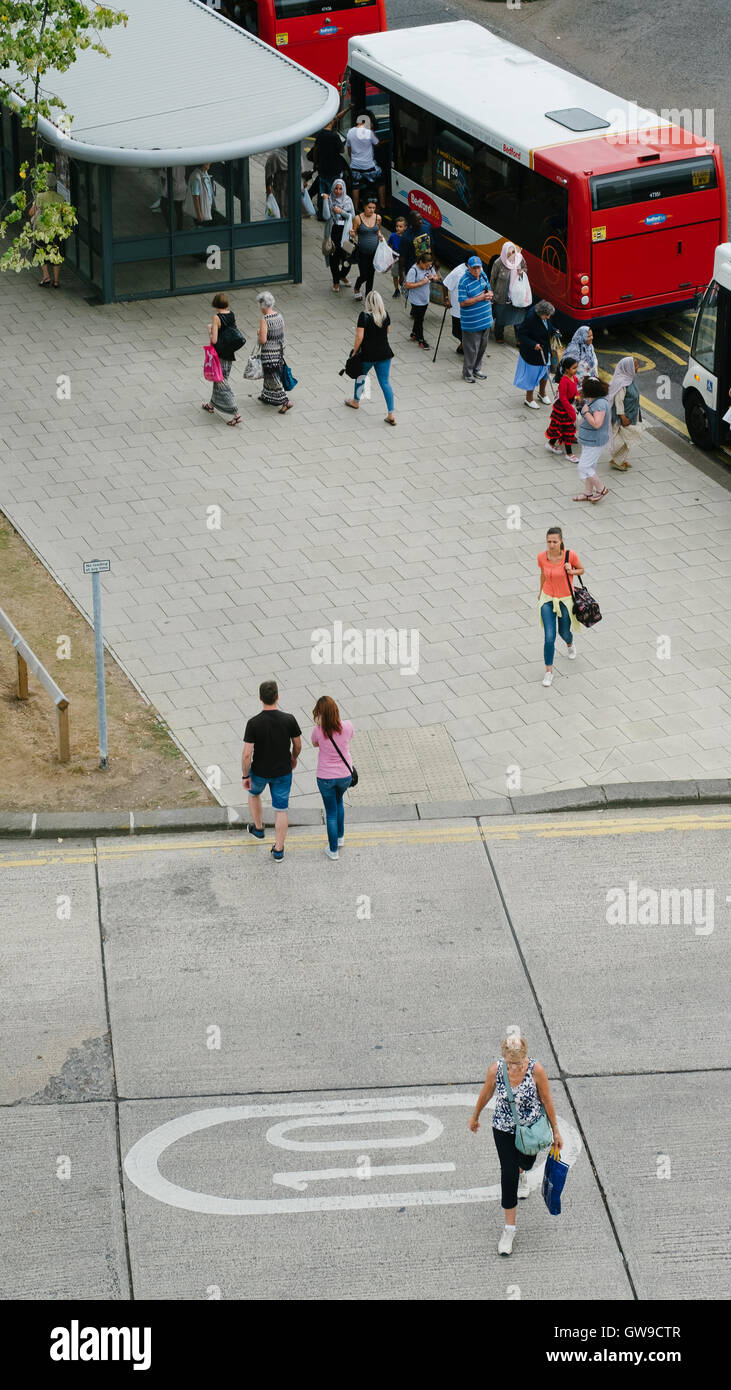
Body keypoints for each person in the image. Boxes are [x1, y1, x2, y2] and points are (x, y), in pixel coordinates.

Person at [469, 1027, 563, 1256]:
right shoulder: (496, 1071)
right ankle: (509, 1229)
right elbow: (486, 1093)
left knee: (527, 1163)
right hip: (503, 1127)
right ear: (504, 1059)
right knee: (508, 1174)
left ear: (525, 1058)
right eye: (512, 1065)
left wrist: (556, 1131)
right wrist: (475, 1116)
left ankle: (523, 1171)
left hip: (531, 1129)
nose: (516, 1068)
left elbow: (546, 1100)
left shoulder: (536, 1070)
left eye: (520, 1064)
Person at [242, 680, 302, 862]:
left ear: (260, 698)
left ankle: (259, 829)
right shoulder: (289, 719)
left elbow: (246, 754)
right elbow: (298, 744)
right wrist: (293, 758)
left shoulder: (253, 723)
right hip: (283, 772)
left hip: (259, 771)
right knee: (281, 810)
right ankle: (278, 850)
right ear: (277, 696)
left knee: (253, 795)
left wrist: (245, 775)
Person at [537, 525, 582, 686]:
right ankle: (548, 672)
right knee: (549, 636)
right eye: (549, 541)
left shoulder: (570, 556)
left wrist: (572, 571)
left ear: (561, 541)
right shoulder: (542, 557)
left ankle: (569, 642)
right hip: (547, 599)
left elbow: (582, 570)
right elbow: (543, 574)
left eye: (554, 542)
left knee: (563, 632)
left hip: (565, 600)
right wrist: (540, 591)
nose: (551, 545)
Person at [311, 696, 354, 859]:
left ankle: (333, 850)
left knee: (330, 812)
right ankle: (340, 838)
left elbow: (315, 744)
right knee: (339, 802)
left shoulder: (318, 730)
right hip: (345, 776)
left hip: (325, 778)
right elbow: (349, 737)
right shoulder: (348, 726)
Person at [344, 289, 396, 425]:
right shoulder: (386, 315)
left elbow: (359, 336)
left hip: (368, 355)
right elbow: (387, 331)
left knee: (361, 377)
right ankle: (391, 413)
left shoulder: (364, 316)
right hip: (385, 354)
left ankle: (355, 401)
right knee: (385, 383)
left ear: (368, 302)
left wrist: (355, 351)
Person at [202, 292, 242, 426]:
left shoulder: (216, 317)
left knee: (220, 380)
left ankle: (236, 413)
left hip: (219, 353)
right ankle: (211, 405)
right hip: (229, 352)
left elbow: (214, 339)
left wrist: (209, 329)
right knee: (220, 377)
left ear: (215, 304)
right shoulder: (231, 314)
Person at [256, 290, 293, 414]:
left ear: (262, 305)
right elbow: (280, 332)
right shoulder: (279, 315)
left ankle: (285, 401)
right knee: (270, 374)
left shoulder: (265, 319)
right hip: (279, 350)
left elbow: (263, 339)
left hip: (269, 352)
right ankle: (266, 395)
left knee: (273, 376)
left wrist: (260, 333)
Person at [457, 255, 493, 382]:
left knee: (482, 348)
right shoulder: (463, 281)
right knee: (471, 350)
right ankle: (467, 373)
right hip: (472, 323)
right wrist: (481, 298)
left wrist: (490, 294)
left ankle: (477, 369)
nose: (477, 270)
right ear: (469, 268)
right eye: (474, 268)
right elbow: (463, 302)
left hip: (486, 320)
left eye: (479, 267)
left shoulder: (483, 275)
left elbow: (489, 290)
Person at [29, 174, 68, 288]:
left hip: (42, 230)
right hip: (56, 230)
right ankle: (56, 281)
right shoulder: (60, 197)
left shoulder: (40, 196)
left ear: (45, 184)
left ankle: (46, 277)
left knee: (41, 253)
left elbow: (31, 212)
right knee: (56, 255)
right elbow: (64, 213)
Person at [575, 377, 610, 502]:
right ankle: (588, 493)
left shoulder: (600, 404)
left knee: (583, 467)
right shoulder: (594, 399)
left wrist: (585, 412)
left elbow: (597, 424)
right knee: (591, 467)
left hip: (594, 442)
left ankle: (601, 489)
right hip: (589, 440)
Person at [515, 300, 555, 408]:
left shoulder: (546, 315)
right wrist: (533, 344)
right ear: (540, 313)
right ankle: (529, 398)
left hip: (545, 350)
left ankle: (542, 393)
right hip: (533, 353)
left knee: (545, 373)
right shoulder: (531, 318)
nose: (548, 317)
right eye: (546, 316)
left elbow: (549, 327)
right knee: (532, 376)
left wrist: (555, 331)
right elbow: (521, 334)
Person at [489, 241, 529, 344]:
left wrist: (522, 271)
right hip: (502, 295)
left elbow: (525, 268)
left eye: (512, 252)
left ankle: (519, 339)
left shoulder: (519, 259)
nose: (511, 255)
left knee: (518, 317)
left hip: (517, 295)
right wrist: (491, 294)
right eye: (508, 252)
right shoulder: (498, 263)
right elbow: (493, 279)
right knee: (501, 316)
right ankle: (499, 335)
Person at [608, 356, 641, 470]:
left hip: (630, 414)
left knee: (627, 438)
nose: (637, 367)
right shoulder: (622, 383)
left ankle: (619, 459)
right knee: (624, 438)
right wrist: (623, 417)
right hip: (623, 417)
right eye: (635, 365)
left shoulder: (629, 378)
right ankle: (616, 461)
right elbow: (618, 401)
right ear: (628, 368)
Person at [309, 118, 346, 218]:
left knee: (322, 192)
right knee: (333, 192)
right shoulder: (335, 136)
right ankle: (331, 213)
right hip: (334, 169)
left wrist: (315, 164)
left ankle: (321, 214)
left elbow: (315, 150)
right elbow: (342, 150)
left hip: (322, 168)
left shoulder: (320, 134)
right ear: (331, 122)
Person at [545, 356, 580, 461]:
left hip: (569, 406)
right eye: (574, 368)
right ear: (566, 369)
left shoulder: (574, 378)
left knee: (559, 428)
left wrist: (577, 398)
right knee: (568, 430)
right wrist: (571, 412)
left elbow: (576, 391)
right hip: (563, 409)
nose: (576, 370)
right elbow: (563, 398)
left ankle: (551, 444)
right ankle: (569, 454)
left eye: (576, 367)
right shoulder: (564, 381)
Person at [345, 114, 382, 211]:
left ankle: (355, 208)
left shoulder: (350, 132)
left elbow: (349, 151)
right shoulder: (369, 133)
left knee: (355, 187)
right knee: (381, 180)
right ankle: (382, 205)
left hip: (355, 167)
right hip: (369, 168)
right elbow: (378, 143)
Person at [323, 177, 354, 292]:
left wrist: (341, 212)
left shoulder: (348, 200)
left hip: (346, 232)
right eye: (336, 188)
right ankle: (336, 281)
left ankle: (342, 275)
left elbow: (353, 216)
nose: (338, 191)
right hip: (333, 231)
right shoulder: (329, 199)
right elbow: (326, 216)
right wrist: (326, 201)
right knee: (334, 258)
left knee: (348, 257)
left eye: (340, 188)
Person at [351, 196, 383, 301]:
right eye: (369, 207)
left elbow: (378, 230)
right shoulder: (357, 218)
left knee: (371, 274)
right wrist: (352, 234)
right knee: (364, 274)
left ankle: (368, 296)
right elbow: (354, 233)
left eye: (374, 208)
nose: (372, 210)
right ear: (364, 207)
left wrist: (380, 235)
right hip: (362, 252)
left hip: (374, 252)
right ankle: (357, 287)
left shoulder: (378, 218)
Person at [404, 253, 438, 350]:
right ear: (420, 262)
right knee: (419, 320)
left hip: (425, 298)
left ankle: (414, 333)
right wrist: (421, 282)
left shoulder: (429, 268)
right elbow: (408, 285)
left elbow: (436, 277)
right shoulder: (413, 270)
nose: (428, 268)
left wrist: (433, 277)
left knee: (419, 318)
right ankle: (421, 340)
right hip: (416, 300)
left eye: (429, 266)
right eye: (426, 265)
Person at [442, 259, 467, 355]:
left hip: (470, 308)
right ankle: (465, 344)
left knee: (466, 331)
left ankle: (467, 346)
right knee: (456, 331)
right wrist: (446, 298)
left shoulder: (478, 268)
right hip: (457, 308)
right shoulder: (457, 272)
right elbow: (445, 284)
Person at [389, 214, 408, 299]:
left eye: (400, 226)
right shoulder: (393, 236)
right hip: (395, 258)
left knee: (404, 275)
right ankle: (396, 289)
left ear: (405, 227)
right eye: (397, 226)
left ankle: (405, 289)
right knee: (395, 275)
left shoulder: (407, 237)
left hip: (405, 259)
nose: (398, 228)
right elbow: (389, 245)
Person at [265, 148, 288, 217]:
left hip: (293, 187)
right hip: (280, 187)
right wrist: (269, 187)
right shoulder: (275, 155)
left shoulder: (295, 152)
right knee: (280, 209)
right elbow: (268, 172)